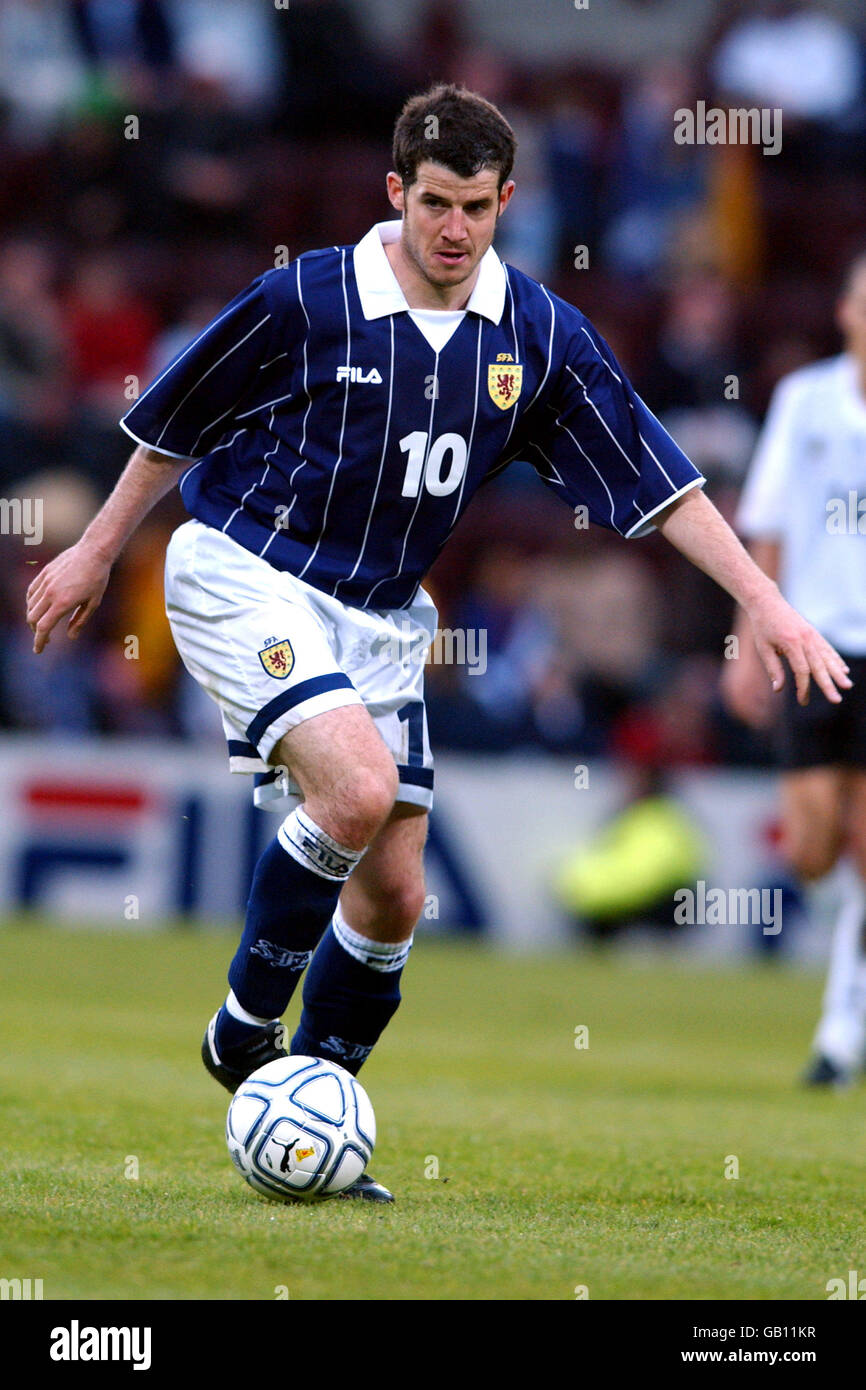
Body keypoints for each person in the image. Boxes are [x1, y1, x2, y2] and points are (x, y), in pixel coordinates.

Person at [26, 85, 850, 1200]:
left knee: (394, 897)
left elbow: (660, 485)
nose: (451, 228)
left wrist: (767, 602)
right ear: (392, 193)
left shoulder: (538, 334)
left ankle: (315, 1105)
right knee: (355, 793)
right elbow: (170, 426)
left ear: (507, 199)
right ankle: (243, 1026)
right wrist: (89, 554)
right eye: (430, 204)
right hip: (247, 572)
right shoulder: (306, 299)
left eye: (473, 205)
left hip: (381, 616)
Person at [722, 251, 866, 1087]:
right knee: (813, 848)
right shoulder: (805, 401)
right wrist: (748, 642)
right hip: (818, 648)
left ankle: (839, 1030)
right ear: (845, 312)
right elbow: (765, 528)